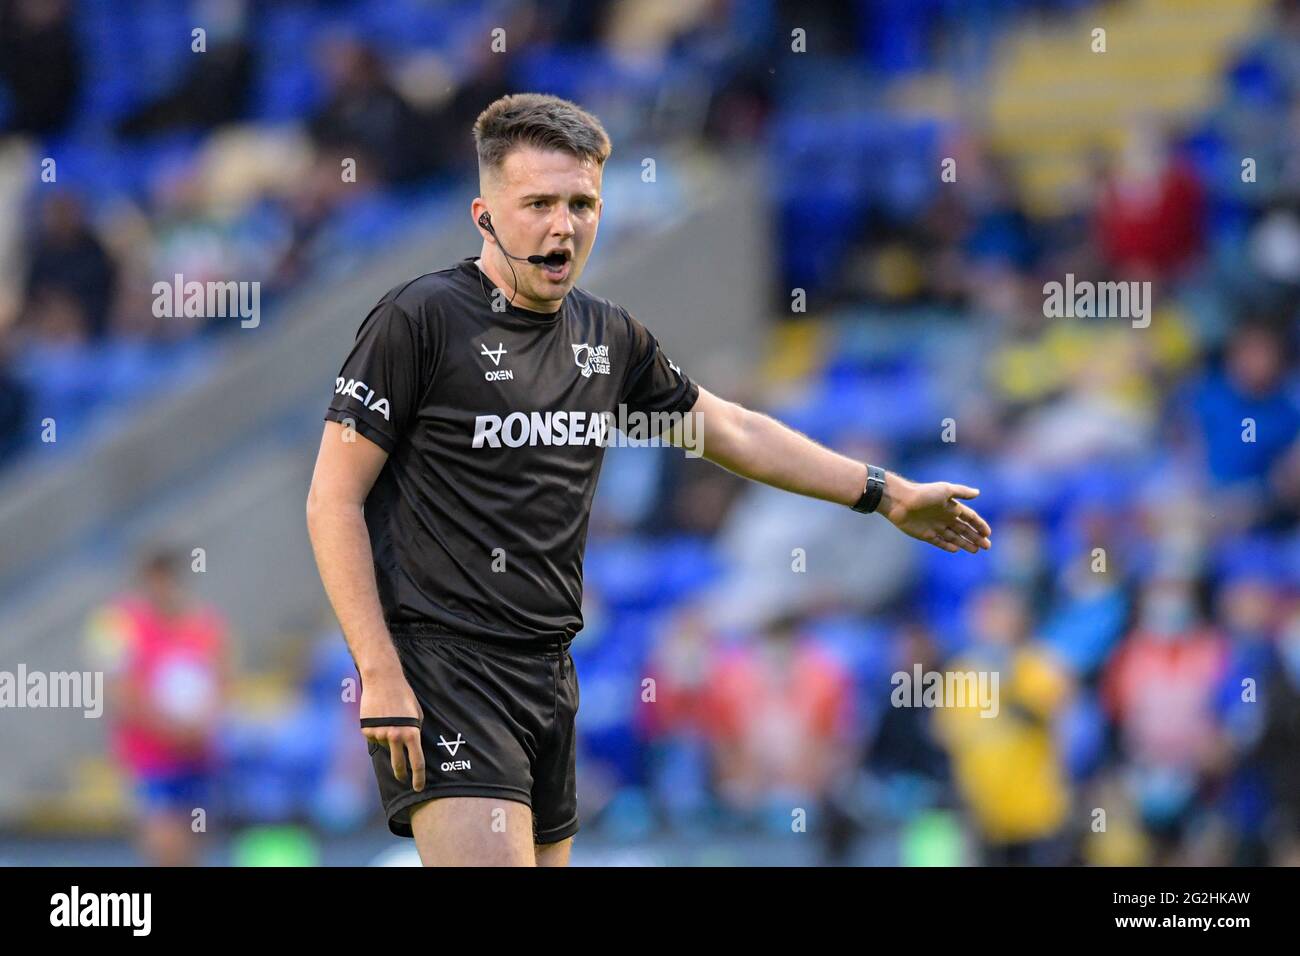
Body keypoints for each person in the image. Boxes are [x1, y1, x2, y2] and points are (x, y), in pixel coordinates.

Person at [305, 92, 992, 867]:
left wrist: (885, 491)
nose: (563, 225)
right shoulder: (419, 322)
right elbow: (333, 497)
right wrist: (379, 671)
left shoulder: (607, 336)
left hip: (549, 674)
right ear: (484, 214)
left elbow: (730, 430)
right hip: (445, 669)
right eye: (537, 203)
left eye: (582, 203)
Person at [85, 547, 231, 866]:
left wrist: (200, 726)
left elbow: (222, 681)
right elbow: (119, 692)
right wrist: (169, 730)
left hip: (197, 754)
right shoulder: (117, 625)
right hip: (150, 757)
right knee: (164, 840)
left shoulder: (204, 624)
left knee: (192, 843)